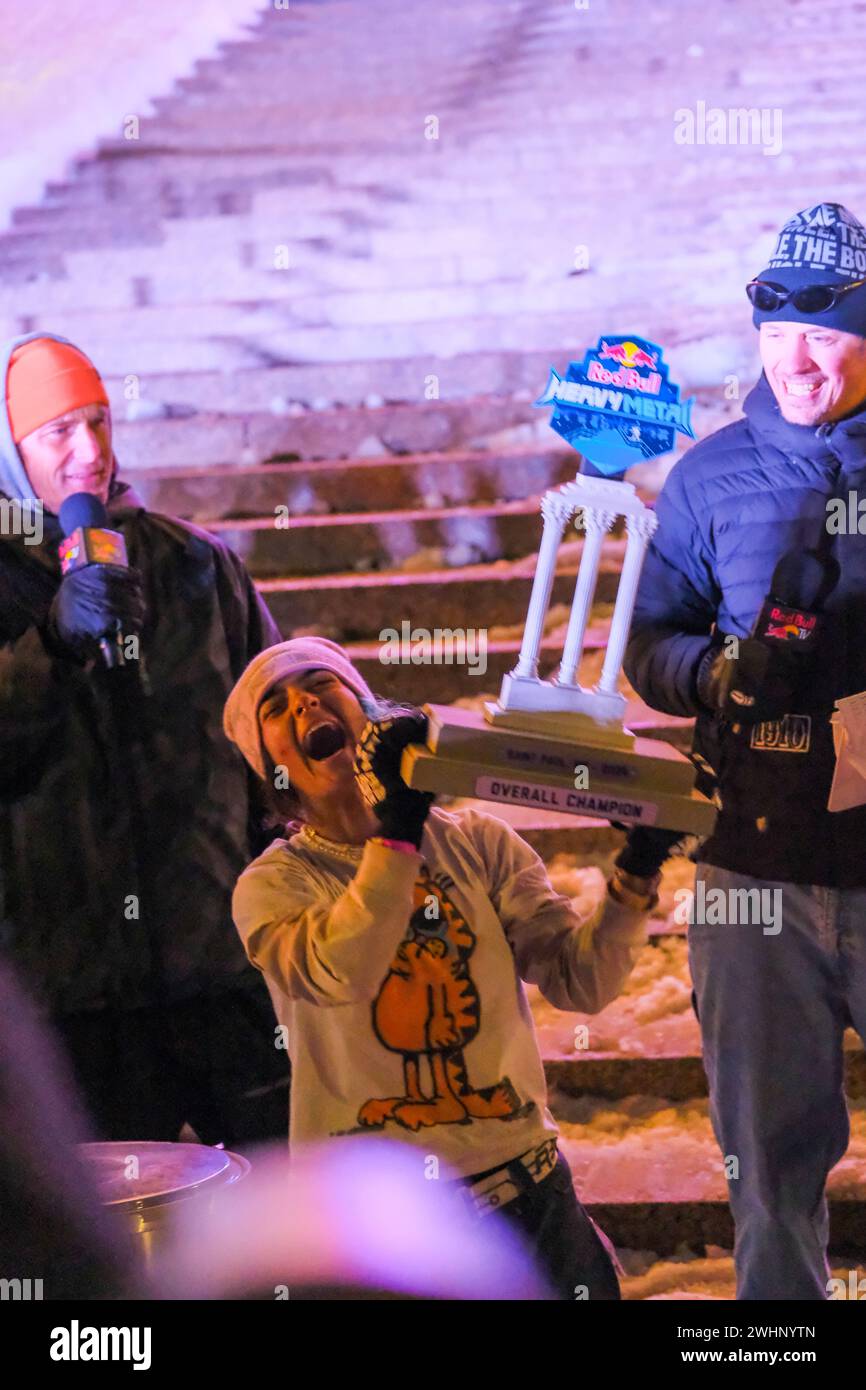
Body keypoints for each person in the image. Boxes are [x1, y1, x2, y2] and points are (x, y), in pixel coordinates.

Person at [223, 636, 681, 1299]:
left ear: (367, 710)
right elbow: (342, 971)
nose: (303, 702)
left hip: (528, 1196)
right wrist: (397, 833)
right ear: (271, 769)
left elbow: (583, 982)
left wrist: (637, 874)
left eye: (321, 683)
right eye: (276, 706)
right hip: (377, 1226)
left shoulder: (479, 844)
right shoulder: (272, 886)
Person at [624, 202, 866, 1300]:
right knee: (766, 1170)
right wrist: (714, 674)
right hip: (750, 872)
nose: (793, 360)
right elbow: (646, 642)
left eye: (821, 334)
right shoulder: (708, 477)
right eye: (773, 335)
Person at [0, 332, 289, 1146]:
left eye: (97, 421)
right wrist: (51, 644)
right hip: (67, 1002)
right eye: (58, 432)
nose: (88, 453)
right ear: (12, 448)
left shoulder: (198, 565)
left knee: (288, 1217)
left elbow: (279, 736)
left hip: (221, 969)